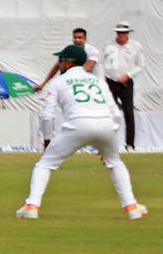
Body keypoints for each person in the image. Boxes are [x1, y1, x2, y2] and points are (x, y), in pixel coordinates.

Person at [17, 45, 146, 220]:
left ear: (69, 63)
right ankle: (131, 207)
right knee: (115, 162)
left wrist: (47, 141)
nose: (59, 63)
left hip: (77, 125)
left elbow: (47, 116)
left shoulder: (58, 82)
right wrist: (108, 141)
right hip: (106, 125)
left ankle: (32, 206)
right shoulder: (98, 81)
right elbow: (116, 113)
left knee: (44, 165)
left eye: (61, 60)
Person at [103, 21, 145, 150]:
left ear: (128, 33)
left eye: (123, 32)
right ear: (116, 32)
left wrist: (128, 75)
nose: (121, 35)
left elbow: (141, 65)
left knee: (128, 113)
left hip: (126, 82)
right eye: (119, 32)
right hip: (111, 82)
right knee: (109, 113)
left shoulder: (136, 46)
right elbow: (101, 63)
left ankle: (130, 144)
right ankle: (108, 143)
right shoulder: (109, 46)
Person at [36, 27, 100, 90]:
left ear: (85, 39)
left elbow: (89, 67)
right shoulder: (71, 49)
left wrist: (65, 79)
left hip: (95, 85)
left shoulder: (93, 51)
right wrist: (43, 84)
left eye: (80, 38)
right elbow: (57, 66)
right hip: (79, 84)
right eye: (75, 37)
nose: (77, 40)